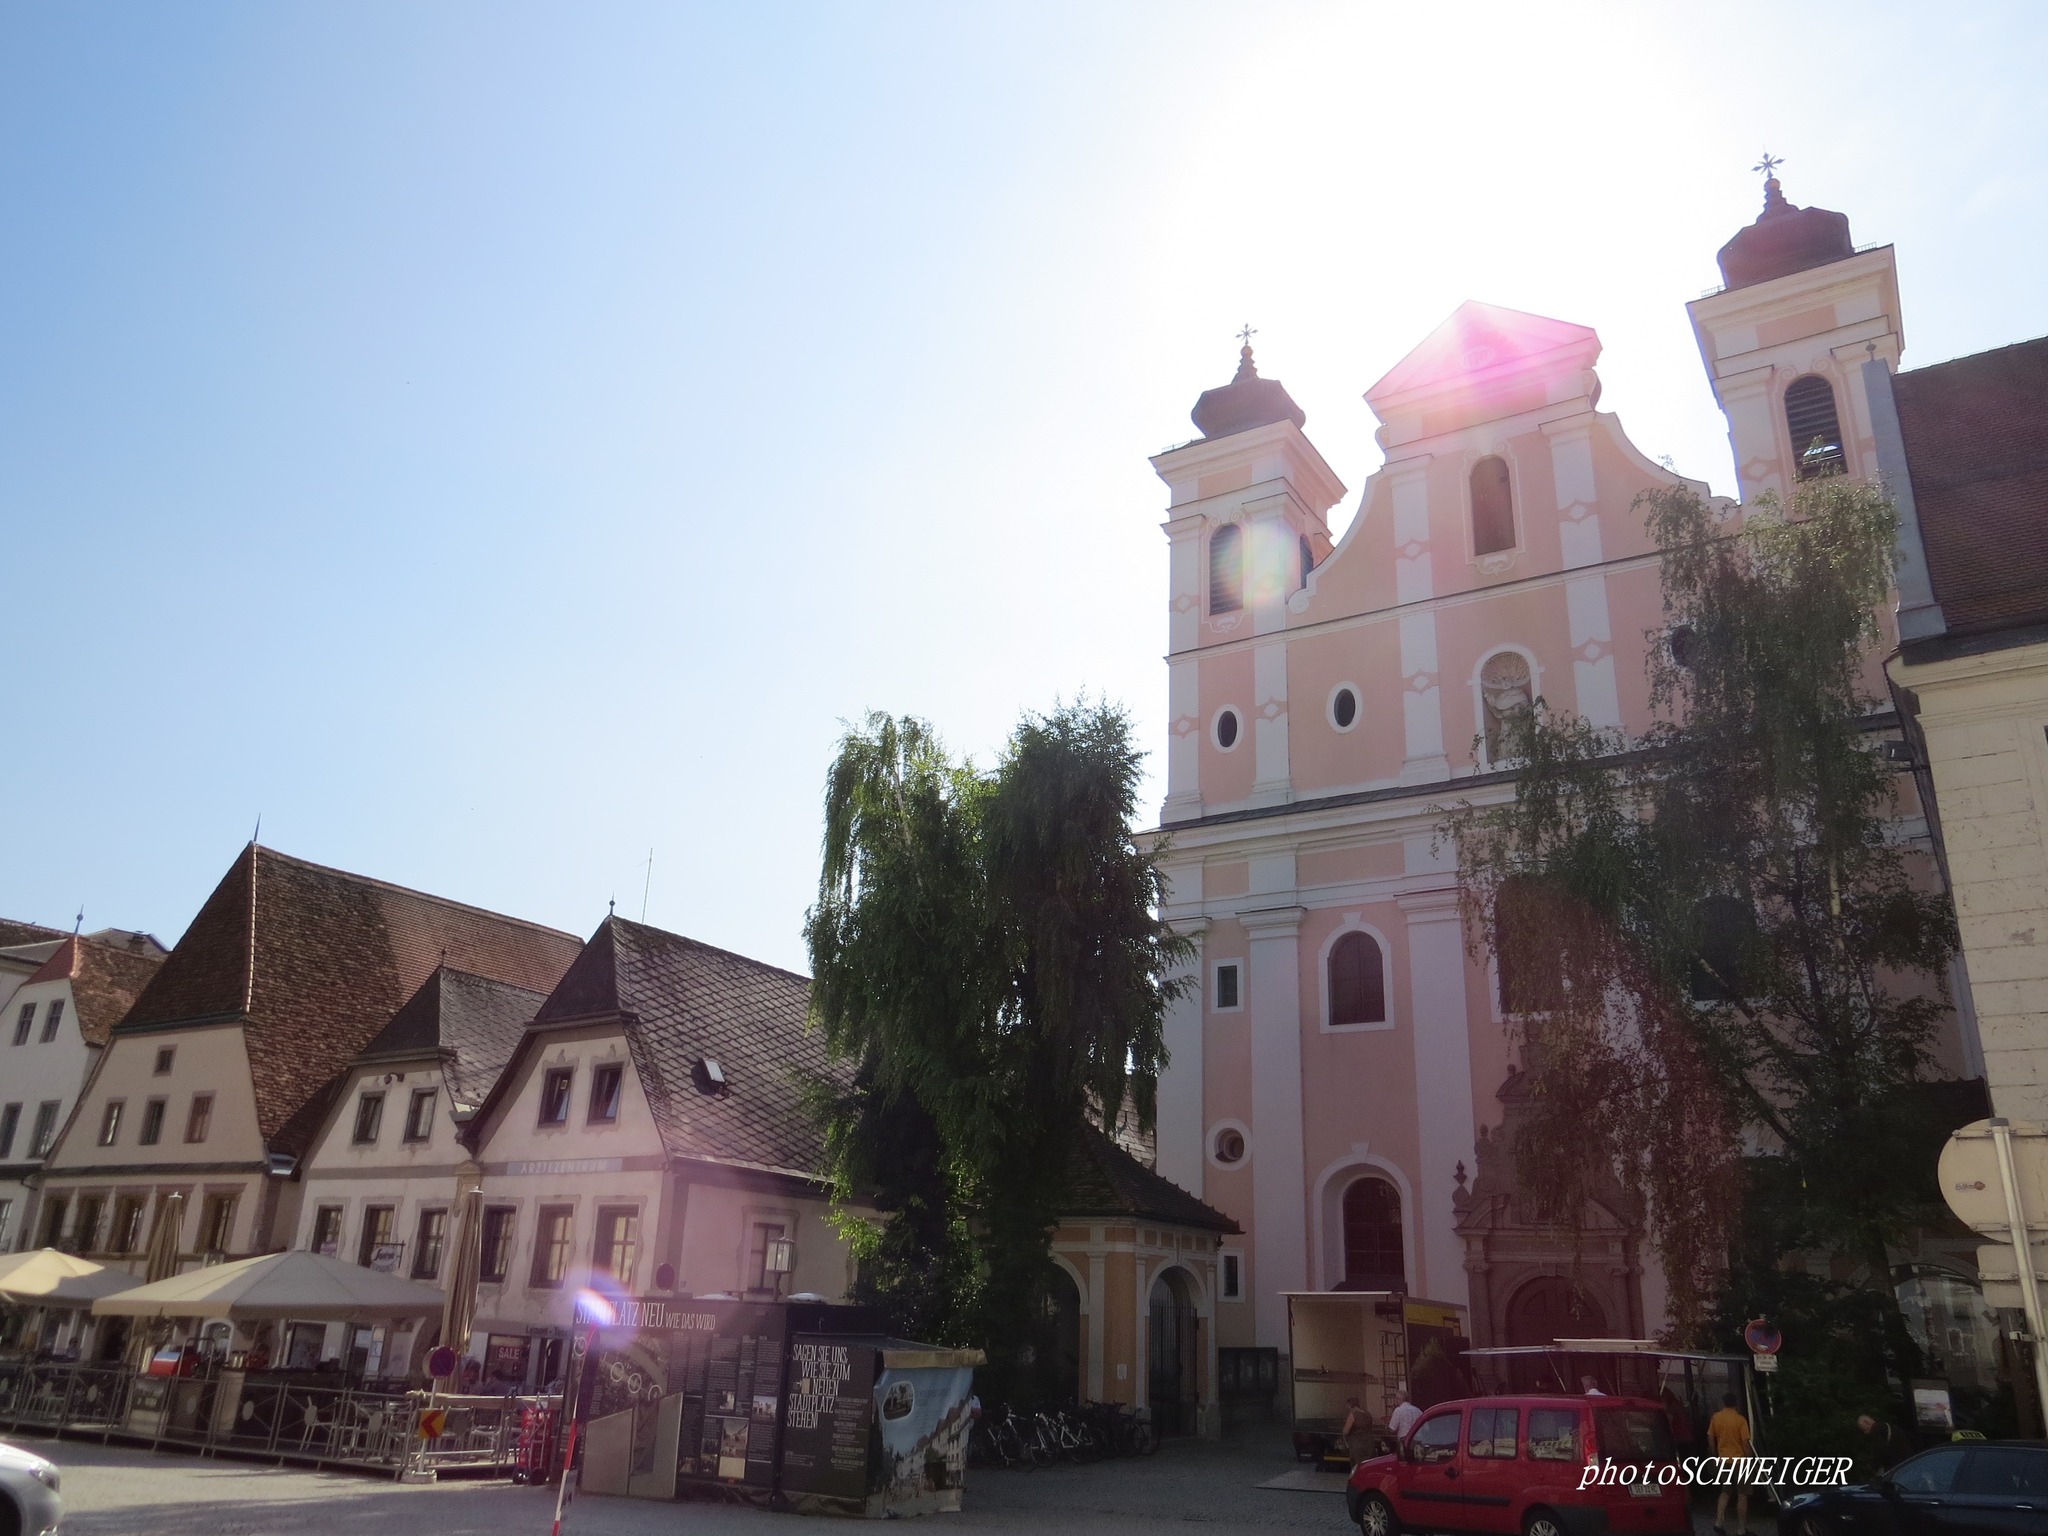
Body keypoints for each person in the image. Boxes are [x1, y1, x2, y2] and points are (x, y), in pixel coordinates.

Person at [1707, 1392, 1753, 1535]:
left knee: (1725, 1492)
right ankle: (1741, 1529)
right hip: (1739, 1462)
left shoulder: (1716, 1418)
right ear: (1736, 1404)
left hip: (1723, 1460)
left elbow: (1710, 1437)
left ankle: (1719, 1522)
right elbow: (1745, 1442)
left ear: (1724, 1403)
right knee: (1742, 1494)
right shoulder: (1740, 1420)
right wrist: (1749, 1458)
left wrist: (1715, 1453)